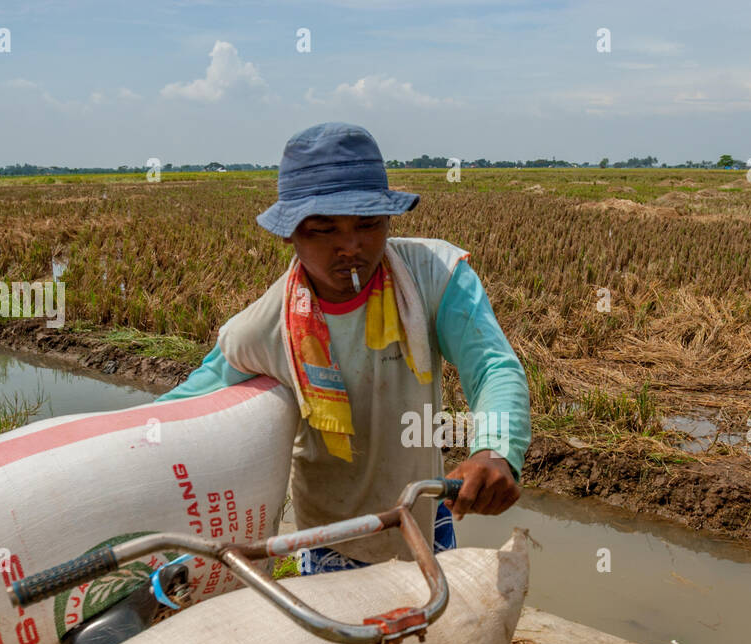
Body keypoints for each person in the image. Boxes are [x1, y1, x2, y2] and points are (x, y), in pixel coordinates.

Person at [156, 122, 530, 575]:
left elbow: (491, 366)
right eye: (324, 230)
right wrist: (121, 440)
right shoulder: (263, 328)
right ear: (290, 234)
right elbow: (186, 408)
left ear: (389, 220)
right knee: (340, 640)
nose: (350, 247)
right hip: (329, 534)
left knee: (428, 634)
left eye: (368, 225)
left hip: (424, 515)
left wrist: (495, 450)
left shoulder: (435, 276)